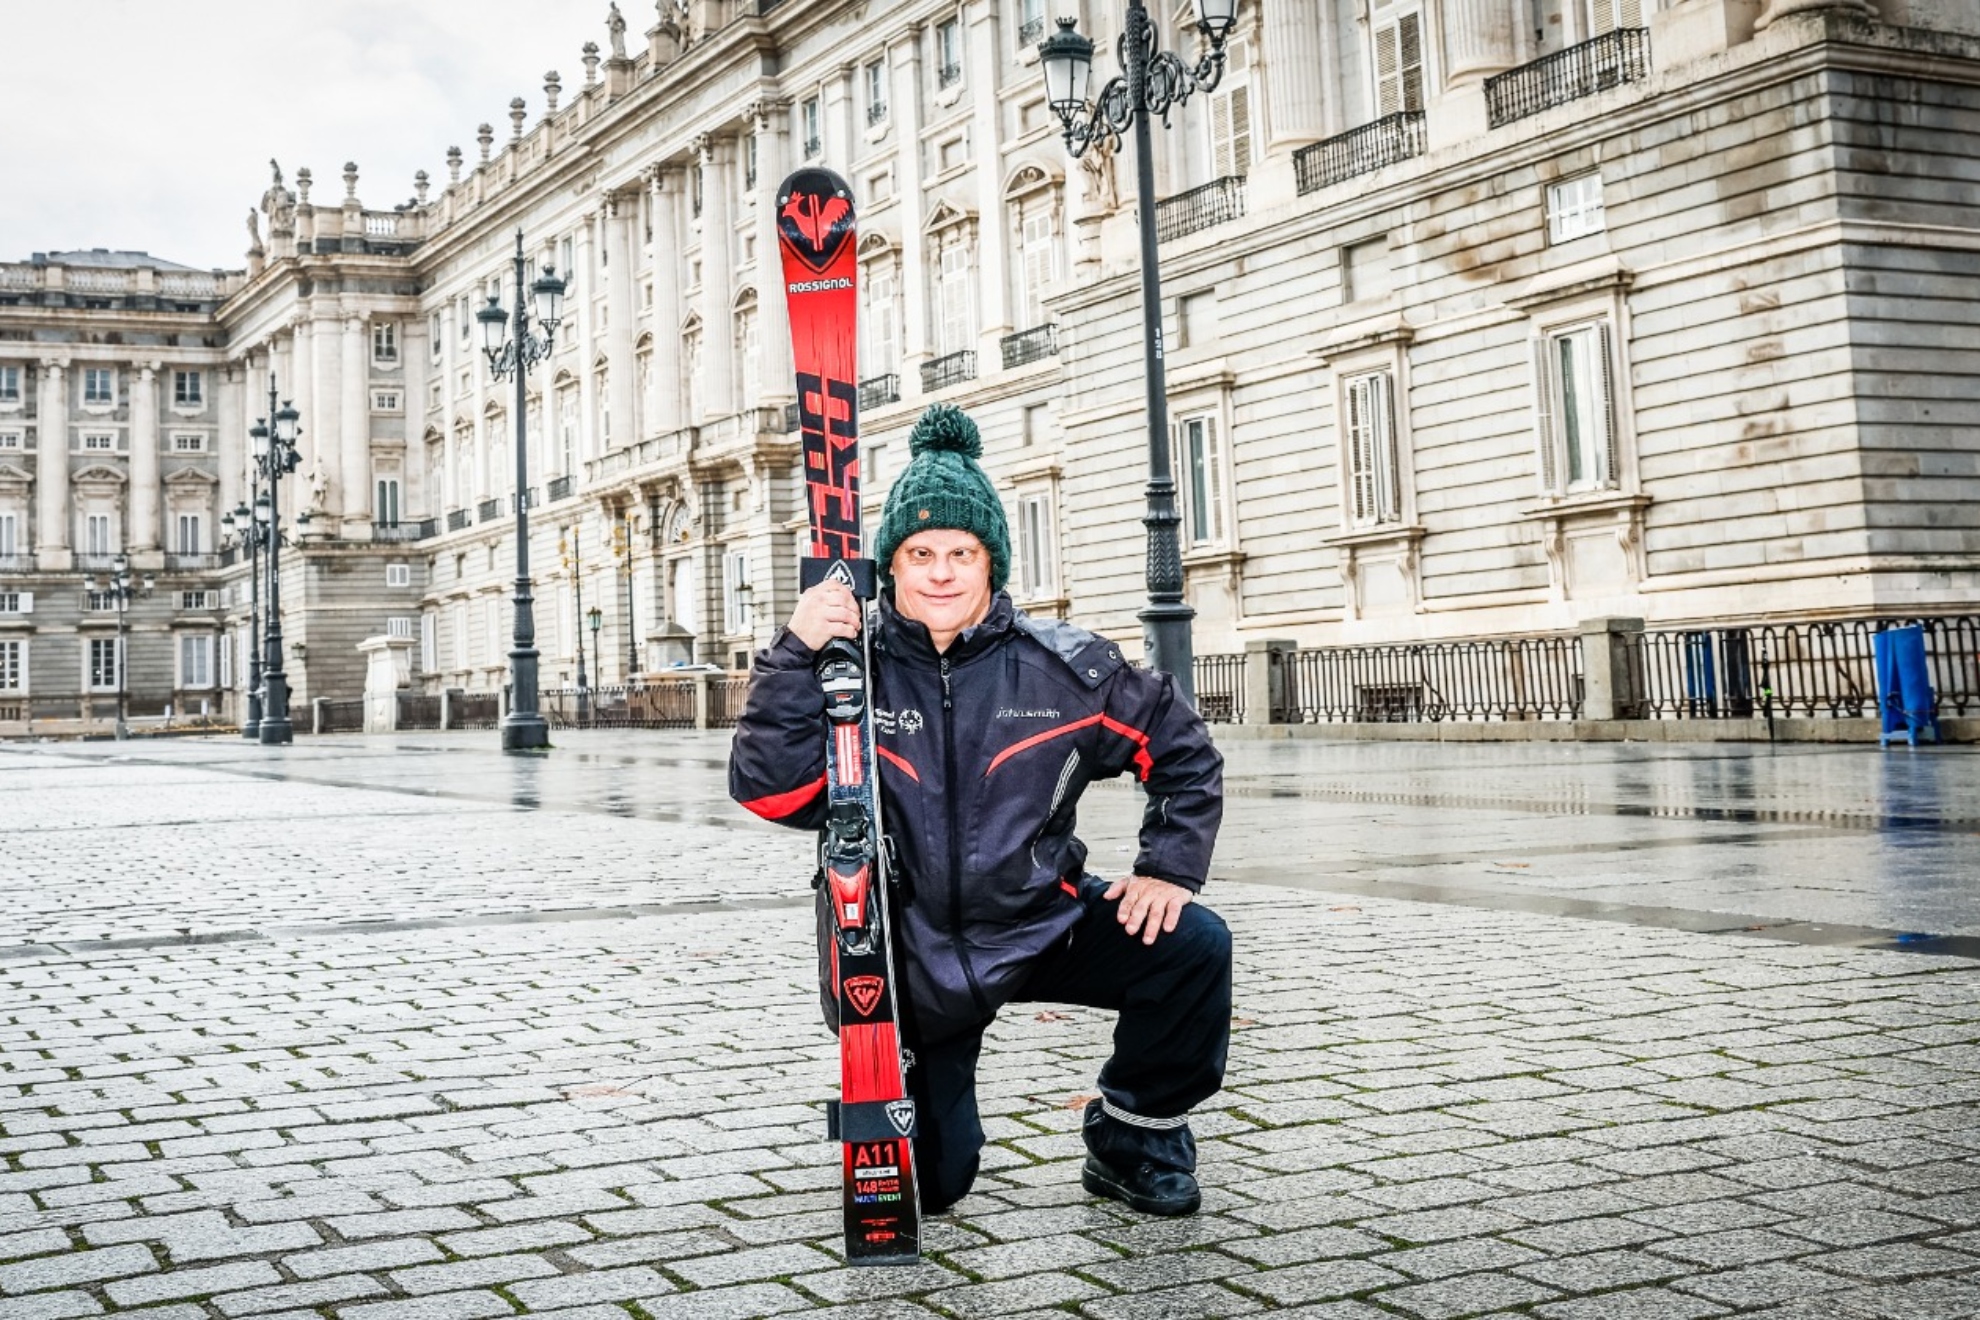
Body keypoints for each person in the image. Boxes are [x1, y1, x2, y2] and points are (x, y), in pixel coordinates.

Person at [729, 403, 1229, 1217]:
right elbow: (772, 791)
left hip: (1039, 924)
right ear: (890, 566)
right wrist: (793, 652)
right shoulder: (845, 674)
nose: (941, 572)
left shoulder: (1064, 670)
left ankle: (1133, 1137)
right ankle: (931, 1102)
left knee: (1191, 944)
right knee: (933, 1186)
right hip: (905, 959)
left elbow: (1182, 750)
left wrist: (1168, 867)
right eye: (920, 553)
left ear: (990, 563)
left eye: (961, 552)